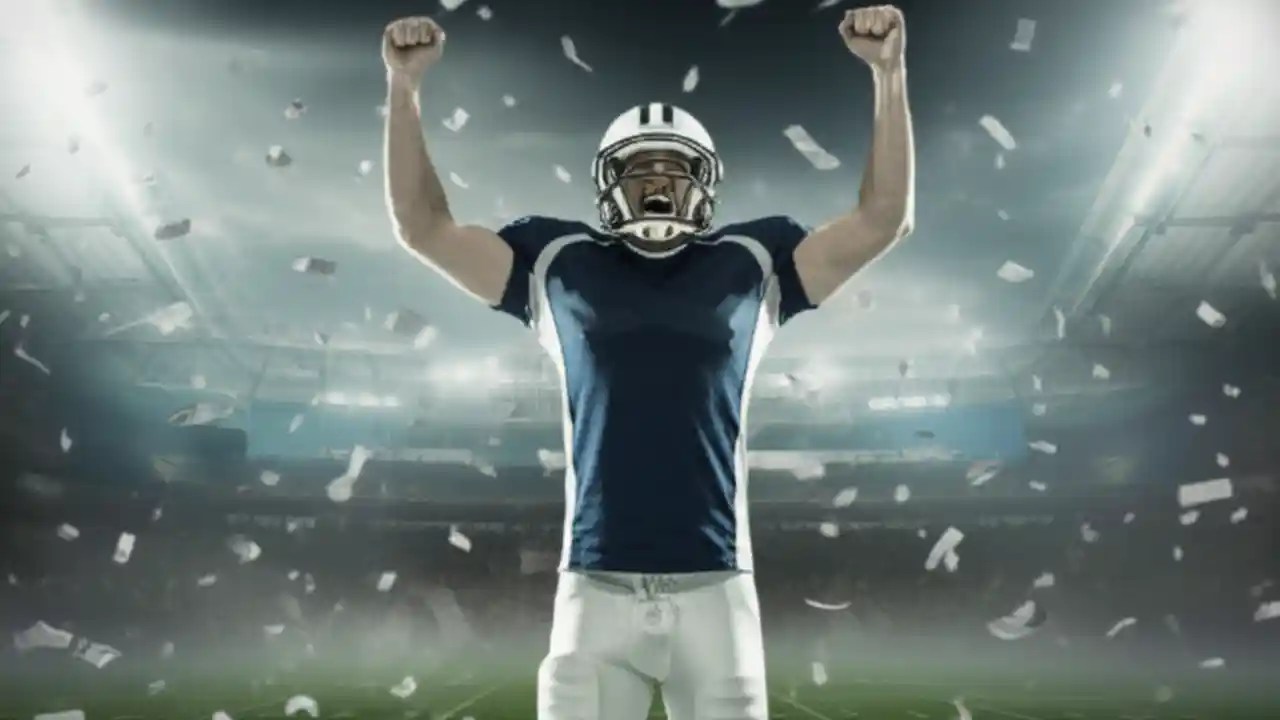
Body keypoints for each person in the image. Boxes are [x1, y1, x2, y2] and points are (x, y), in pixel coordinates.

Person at [381, 5, 914, 718]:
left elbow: (885, 220)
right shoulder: (557, 260)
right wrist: (404, 89)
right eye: (639, 169)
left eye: (673, 168)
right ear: (607, 182)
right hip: (593, 588)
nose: (657, 184)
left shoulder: (754, 261)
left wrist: (889, 74)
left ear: (707, 182)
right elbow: (424, 227)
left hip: (717, 586)